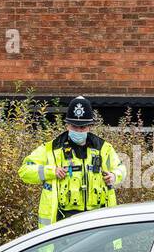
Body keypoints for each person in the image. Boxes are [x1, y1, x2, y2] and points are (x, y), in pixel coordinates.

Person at [19, 96, 127, 227]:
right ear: (67, 125)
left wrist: (114, 176)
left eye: (83, 128)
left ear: (89, 127)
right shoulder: (51, 149)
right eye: (75, 127)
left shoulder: (103, 148)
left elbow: (121, 168)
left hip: (97, 221)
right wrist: (51, 171)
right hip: (64, 222)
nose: (79, 131)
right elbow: (25, 170)